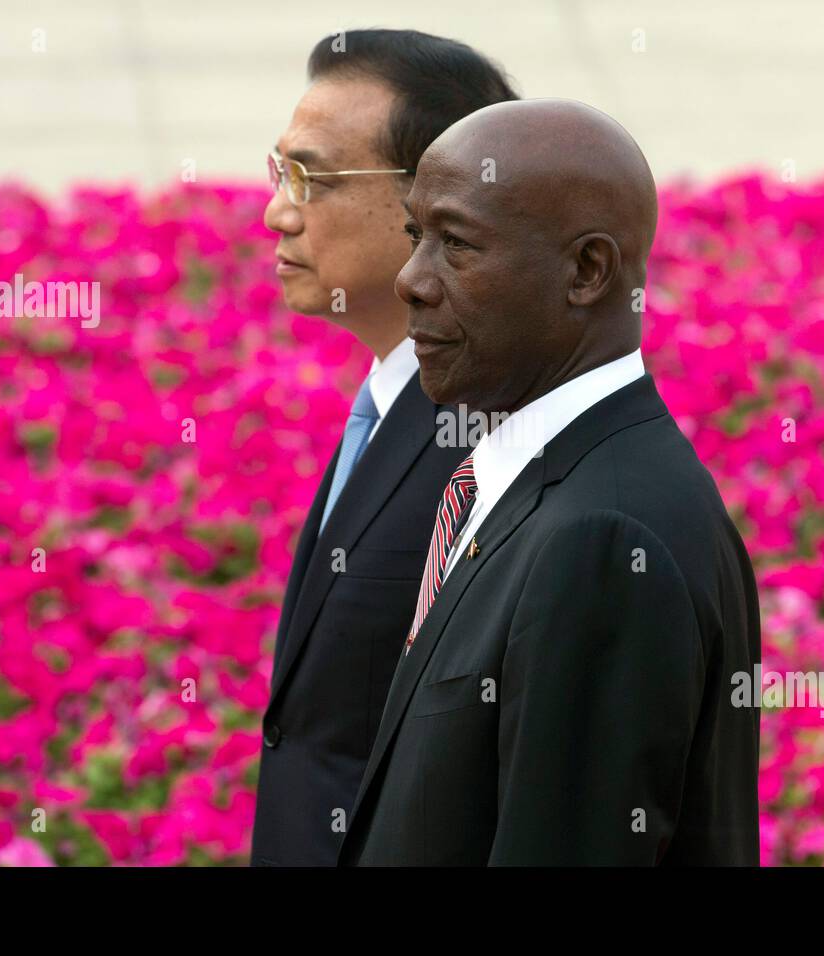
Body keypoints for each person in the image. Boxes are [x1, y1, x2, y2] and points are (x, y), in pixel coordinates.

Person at [339, 99, 761, 865]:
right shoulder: (534, 482)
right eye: (415, 237)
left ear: (586, 271)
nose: (410, 280)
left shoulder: (602, 543)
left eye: (456, 245)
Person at [251, 29, 518, 867]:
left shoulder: (489, 441)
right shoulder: (389, 402)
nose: (277, 212)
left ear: (434, 204)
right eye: (279, 170)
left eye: (313, 178)